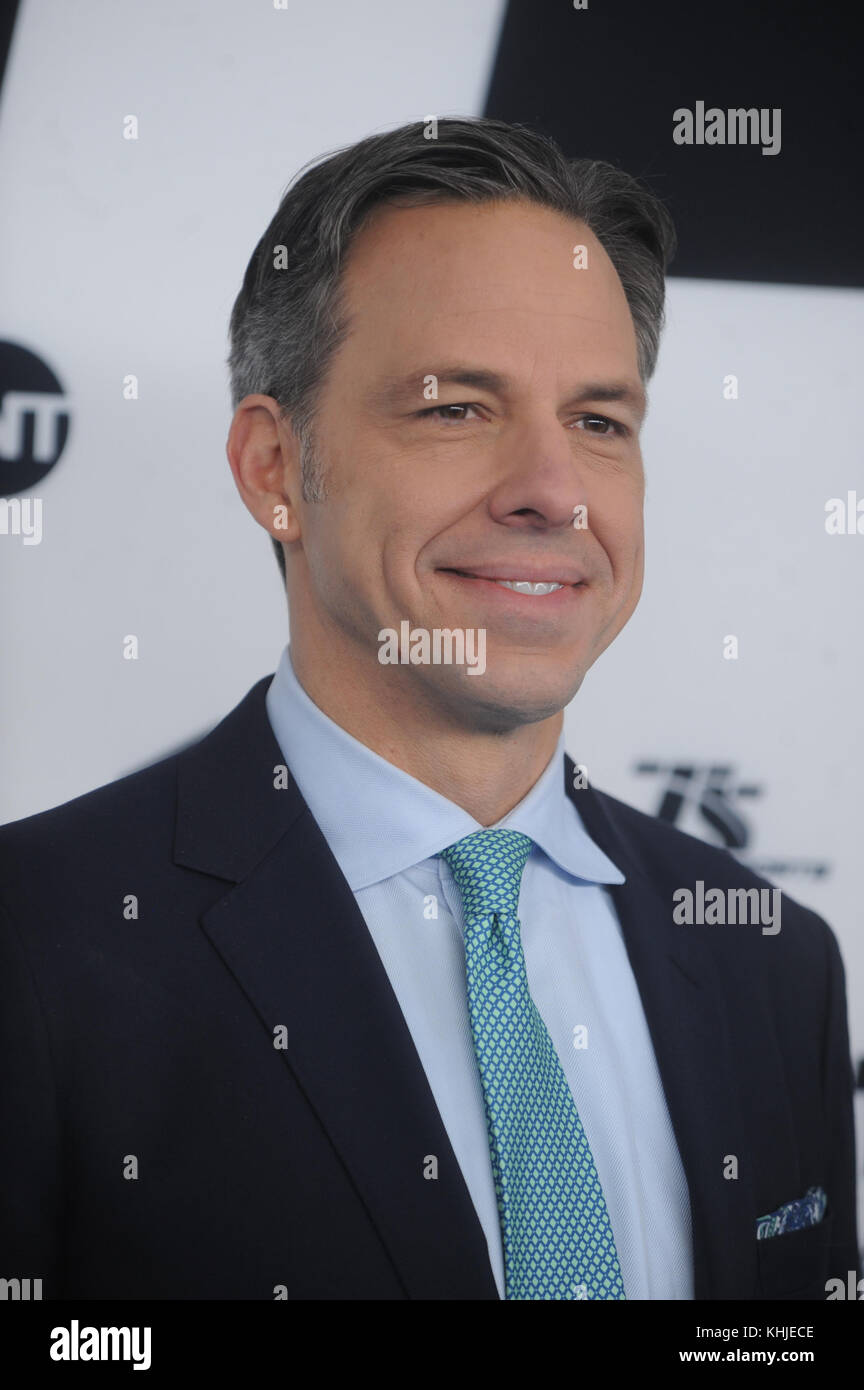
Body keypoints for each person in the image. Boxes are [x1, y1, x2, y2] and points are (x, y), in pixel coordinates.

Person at [0, 117, 858, 1301]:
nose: (553, 492)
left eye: (599, 422)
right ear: (275, 469)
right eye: (456, 407)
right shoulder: (38, 944)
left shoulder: (774, 963)